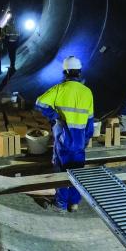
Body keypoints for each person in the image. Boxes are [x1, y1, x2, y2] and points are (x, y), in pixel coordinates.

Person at [35, 56, 95, 212]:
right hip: (79, 140)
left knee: (61, 171)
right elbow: (90, 121)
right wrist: (86, 138)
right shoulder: (87, 92)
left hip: (63, 139)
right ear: (79, 72)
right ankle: (74, 203)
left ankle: (61, 203)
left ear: (65, 72)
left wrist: (54, 116)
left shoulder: (59, 89)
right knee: (77, 173)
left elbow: (39, 103)